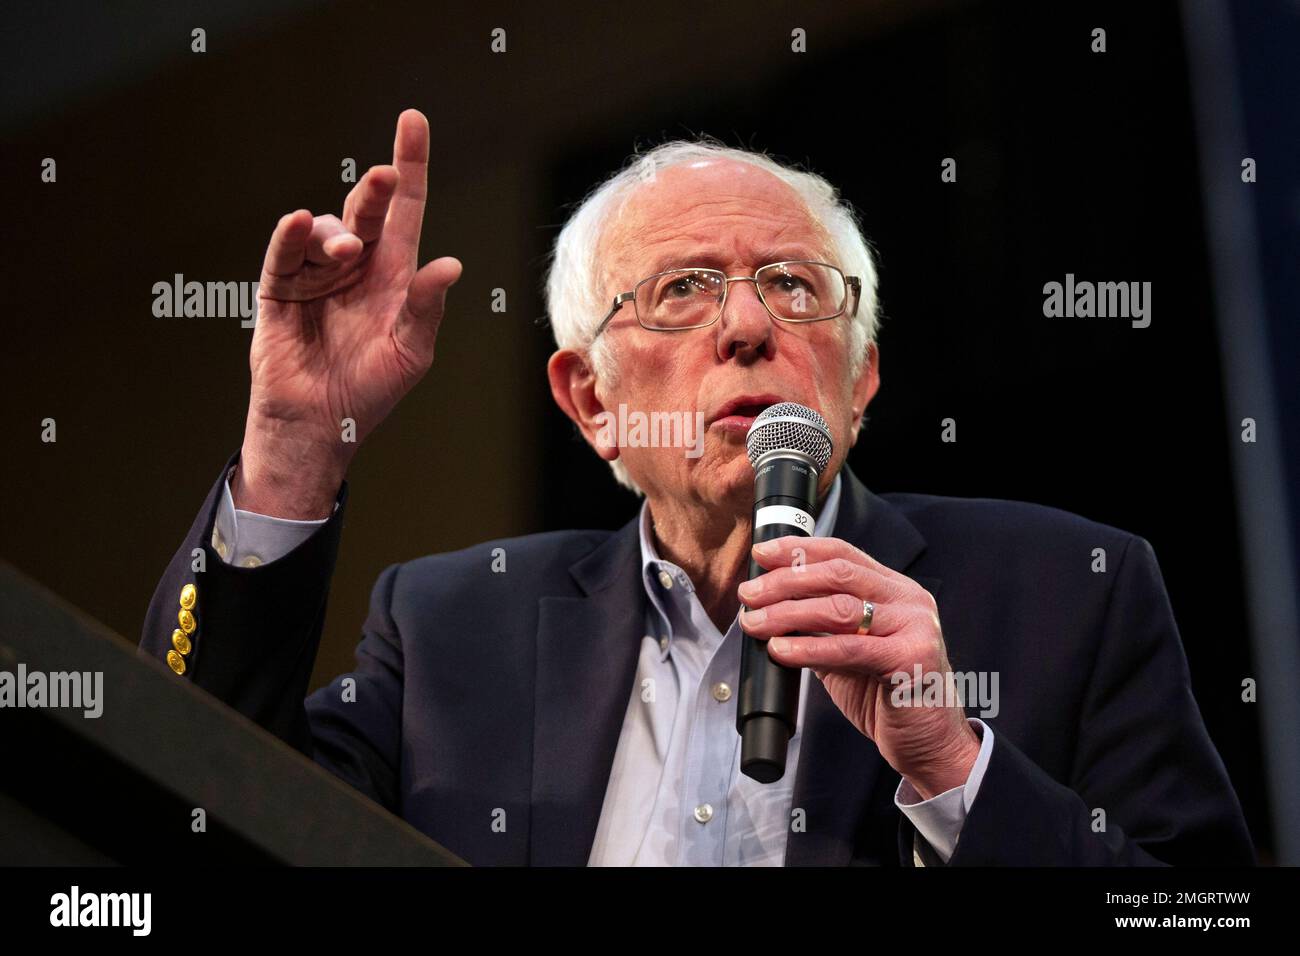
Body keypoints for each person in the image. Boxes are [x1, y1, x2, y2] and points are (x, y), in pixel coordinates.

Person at [140, 110, 1254, 866]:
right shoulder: (447, 632)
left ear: (858, 377)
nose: (747, 324)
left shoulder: (1070, 592)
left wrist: (956, 768)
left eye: (791, 283)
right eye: (681, 288)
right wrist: (292, 441)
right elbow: (200, 809)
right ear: (590, 402)